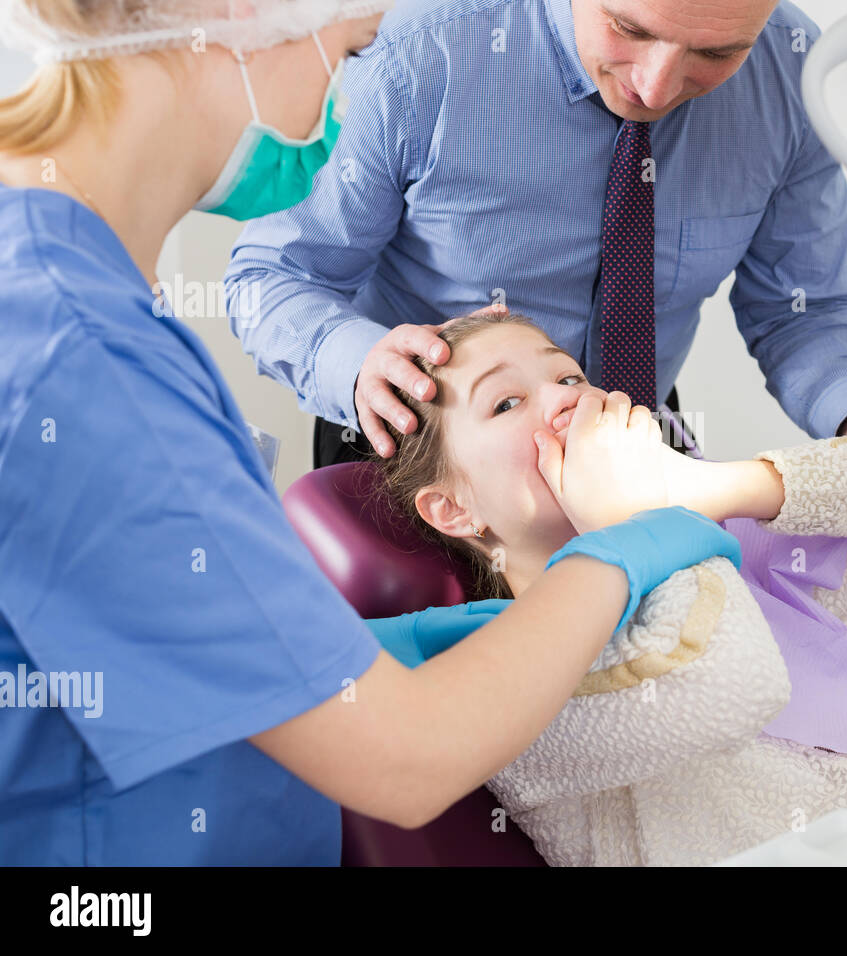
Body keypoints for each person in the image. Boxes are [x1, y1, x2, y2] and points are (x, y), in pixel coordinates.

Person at [0, 0, 739, 865]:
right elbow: (404, 760)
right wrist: (628, 547)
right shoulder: (81, 355)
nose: (346, 105)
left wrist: (391, 647)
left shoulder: (62, 294)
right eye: (353, 50)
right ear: (241, 19)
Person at [221, 0, 847, 537]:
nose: (655, 85)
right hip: (426, 459)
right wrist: (356, 362)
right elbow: (273, 274)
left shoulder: (795, 73)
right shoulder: (416, 55)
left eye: (714, 52)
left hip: (637, 444)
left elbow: (802, 309)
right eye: (631, 29)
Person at [361, 309, 847, 864]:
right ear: (454, 510)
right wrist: (641, 523)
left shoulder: (734, 569)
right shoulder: (519, 678)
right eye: (507, 403)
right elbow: (737, 683)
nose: (567, 398)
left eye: (569, 375)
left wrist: (699, 488)